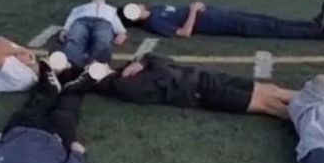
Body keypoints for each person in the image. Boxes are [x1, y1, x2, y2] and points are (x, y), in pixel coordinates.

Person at [77, 52, 299, 120]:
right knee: (265, 104)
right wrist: (146, 63)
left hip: (201, 76)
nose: (95, 61)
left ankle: (311, 98)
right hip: (199, 91)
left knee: (266, 88)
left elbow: (162, 59)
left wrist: (142, 61)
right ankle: (309, 119)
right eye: (92, 65)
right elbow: (164, 72)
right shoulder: (122, 87)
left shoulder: (124, 71)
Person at [120, 0, 324, 40]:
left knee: (269, 20)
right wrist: (192, 11)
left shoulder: (156, 9)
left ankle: (312, 25)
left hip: (217, 14)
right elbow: (184, 33)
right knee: (269, 28)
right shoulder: (154, 22)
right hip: (217, 24)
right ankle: (321, 34)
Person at [52, 0, 127, 70]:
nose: (98, 0)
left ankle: (97, 64)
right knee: (75, 36)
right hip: (82, 21)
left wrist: (121, 32)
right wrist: (65, 29)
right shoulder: (81, 8)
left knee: (103, 38)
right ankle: (70, 63)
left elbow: (116, 20)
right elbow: (71, 18)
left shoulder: (111, 9)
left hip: (103, 22)